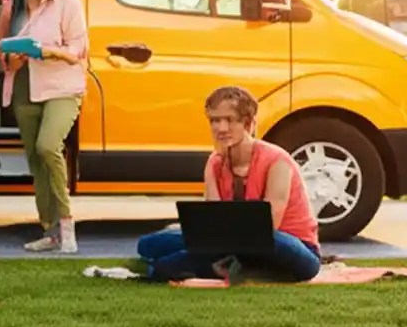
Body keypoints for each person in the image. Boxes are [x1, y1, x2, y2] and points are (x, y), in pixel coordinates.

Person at [136, 86, 322, 283]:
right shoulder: (215, 162)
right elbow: (211, 226)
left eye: (229, 120)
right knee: (149, 244)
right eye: (215, 120)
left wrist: (213, 241)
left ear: (248, 124)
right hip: (229, 244)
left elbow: (269, 227)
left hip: (285, 243)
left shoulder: (277, 161)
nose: (221, 128)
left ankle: (182, 266)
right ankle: (239, 267)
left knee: (268, 241)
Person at [0, 0, 88, 253]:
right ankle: (49, 230)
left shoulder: (68, 2)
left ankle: (66, 221)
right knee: (35, 159)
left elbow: (78, 50)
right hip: (24, 82)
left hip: (61, 84)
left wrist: (50, 51)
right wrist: (13, 57)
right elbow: (2, 47)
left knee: (48, 146)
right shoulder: (15, 4)